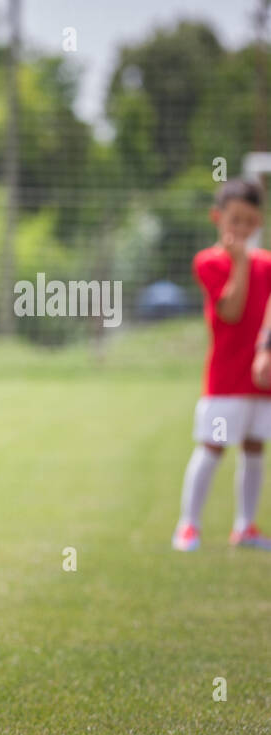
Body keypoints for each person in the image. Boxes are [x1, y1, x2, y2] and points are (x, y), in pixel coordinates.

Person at [173, 178, 271, 551]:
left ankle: (245, 526)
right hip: (226, 381)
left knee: (255, 448)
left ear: (259, 221)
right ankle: (188, 525)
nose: (241, 229)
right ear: (218, 217)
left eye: (249, 222)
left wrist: (266, 350)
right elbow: (230, 311)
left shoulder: (268, 264)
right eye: (235, 220)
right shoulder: (209, 262)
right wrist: (241, 263)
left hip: (261, 380)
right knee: (212, 447)